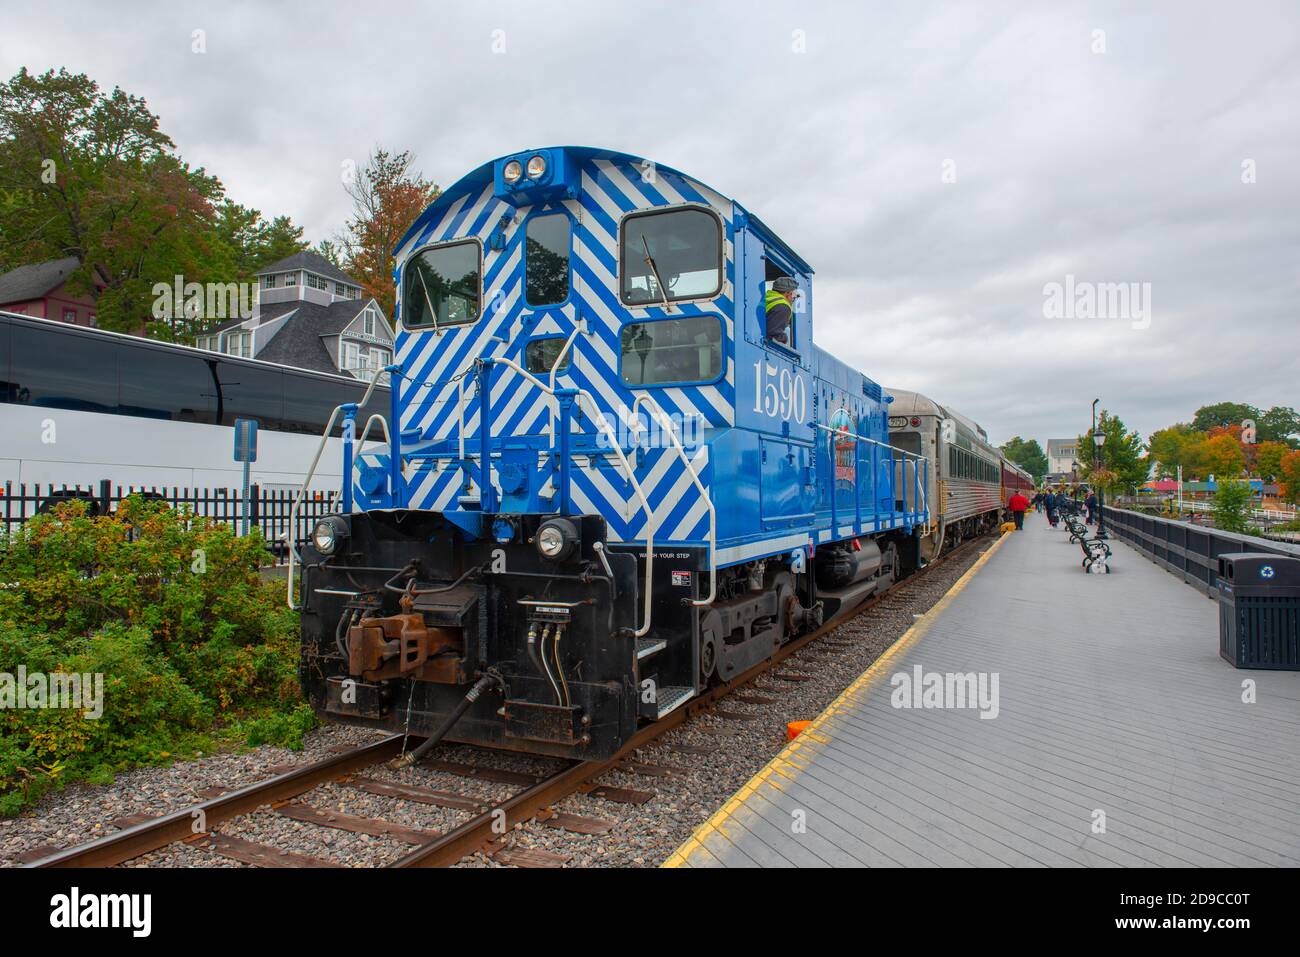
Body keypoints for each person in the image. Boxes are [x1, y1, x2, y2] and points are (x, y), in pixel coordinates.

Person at [765, 276, 798, 343]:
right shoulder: (783, 306)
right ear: (787, 293)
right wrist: (784, 338)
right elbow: (774, 334)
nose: (793, 299)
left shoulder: (767, 297)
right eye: (793, 296)